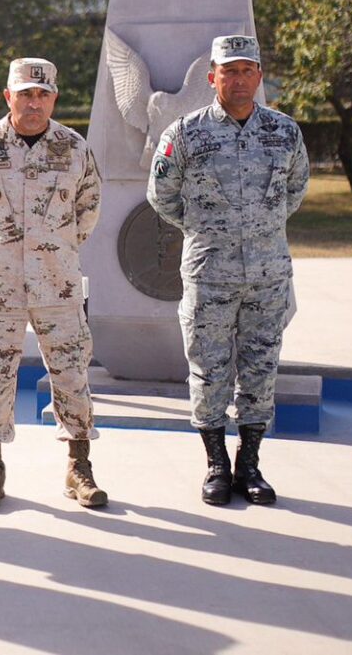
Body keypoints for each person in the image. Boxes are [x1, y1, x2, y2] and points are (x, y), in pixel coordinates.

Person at [147, 34, 309, 506]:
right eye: (229, 71)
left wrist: (260, 228)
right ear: (211, 76)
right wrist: (207, 230)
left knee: (261, 369)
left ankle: (251, 465)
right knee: (208, 369)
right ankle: (217, 465)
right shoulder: (185, 133)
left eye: (247, 70)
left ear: (259, 76)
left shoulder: (285, 132)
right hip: (209, 273)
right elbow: (162, 196)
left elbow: (295, 190)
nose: (238, 79)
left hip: (268, 275)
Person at [0, 57, 106, 511]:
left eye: (42, 94)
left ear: (53, 97)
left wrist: (53, 250)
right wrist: (1, 248)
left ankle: (79, 468)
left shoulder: (74, 148)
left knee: (73, 373)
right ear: (8, 96)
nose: (34, 103)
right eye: (25, 94)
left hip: (57, 284)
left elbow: (88, 208)